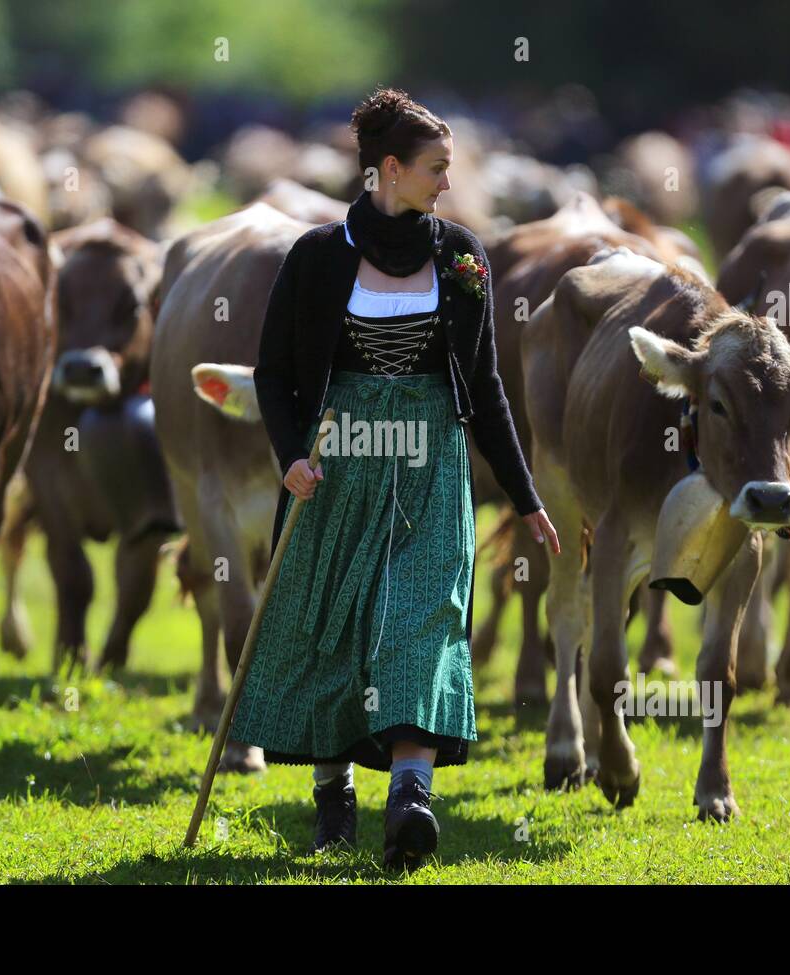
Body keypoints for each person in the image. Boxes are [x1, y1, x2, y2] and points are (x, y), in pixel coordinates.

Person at [228, 87, 559, 872]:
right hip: (337, 458)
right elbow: (273, 375)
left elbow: (484, 388)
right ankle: (332, 794)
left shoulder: (463, 256)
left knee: (422, 617)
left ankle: (411, 795)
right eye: (435, 169)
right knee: (330, 622)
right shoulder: (316, 255)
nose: (447, 183)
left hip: (431, 465)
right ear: (388, 170)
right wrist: (292, 455)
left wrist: (526, 496)